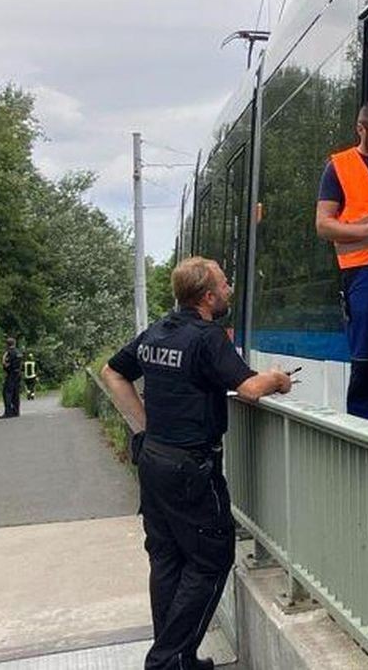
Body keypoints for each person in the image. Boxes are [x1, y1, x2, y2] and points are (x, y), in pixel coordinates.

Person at [97, 256, 292, 670]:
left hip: (153, 461)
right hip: (191, 470)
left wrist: (144, 425)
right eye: (224, 284)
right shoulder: (207, 338)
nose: (229, 290)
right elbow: (251, 389)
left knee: (167, 558)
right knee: (211, 560)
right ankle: (167, 661)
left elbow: (112, 372)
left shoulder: (156, 333)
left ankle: (179, 659)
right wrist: (277, 378)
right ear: (207, 296)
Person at [314, 101, 368, 420]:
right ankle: (362, 419)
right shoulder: (339, 166)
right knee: (366, 353)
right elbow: (323, 224)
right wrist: (364, 229)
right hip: (362, 272)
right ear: (361, 129)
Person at [0, 337, 22, 418]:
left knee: (7, 393)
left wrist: (3, 359)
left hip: (11, 375)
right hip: (18, 374)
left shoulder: (9, 353)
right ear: (14, 343)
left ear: (7, 345)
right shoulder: (18, 352)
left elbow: (6, 364)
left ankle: (8, 412)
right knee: (16, 393)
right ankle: (16, 411)